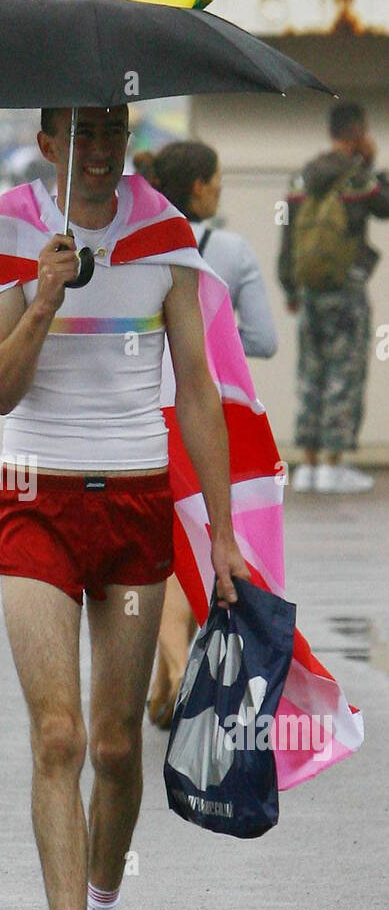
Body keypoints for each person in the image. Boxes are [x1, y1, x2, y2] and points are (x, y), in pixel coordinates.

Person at [0, 107, 250, 910]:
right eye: (83, 132)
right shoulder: (11, 222)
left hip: (131, 496)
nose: (101, 149)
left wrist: (219, 532)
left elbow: (199, 389)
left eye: (115, 130)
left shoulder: (164, 230)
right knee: (54, 735)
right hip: (34, 498)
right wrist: (43, 297)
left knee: (115, 742)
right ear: (50, 142)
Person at [135, 141, 277, 727]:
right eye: (217, 179)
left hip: (148, 413)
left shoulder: (141, 248)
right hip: (212, 417)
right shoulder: (233, 251)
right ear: (198, 188)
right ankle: (185, 664)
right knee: (210, 544)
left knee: (168, 556)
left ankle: (171, 662)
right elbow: (265, 341)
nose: (220, 187)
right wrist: (215, 342)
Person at [278, 101, 389, 494]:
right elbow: (385, 206)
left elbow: (286, 230)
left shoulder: (300, 178)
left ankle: (306, 466)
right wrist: (373, 164)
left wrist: (289, 285)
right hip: (347, 291)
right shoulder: (358, 179)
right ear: (357, 132)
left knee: (311, 374)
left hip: (309, 291)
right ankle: (333, 465)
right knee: (346, 373)